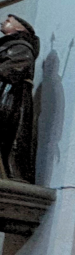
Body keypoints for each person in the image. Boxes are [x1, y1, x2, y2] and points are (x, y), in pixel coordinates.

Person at [0, 14, 40, 183]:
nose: (3, 22)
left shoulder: (21, 46)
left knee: (11, 136)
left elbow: (14, 67)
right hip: (6, 93)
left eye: (9, 21)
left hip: (13, 97)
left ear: (19, 28)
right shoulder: (10, 45)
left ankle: (10, 171)